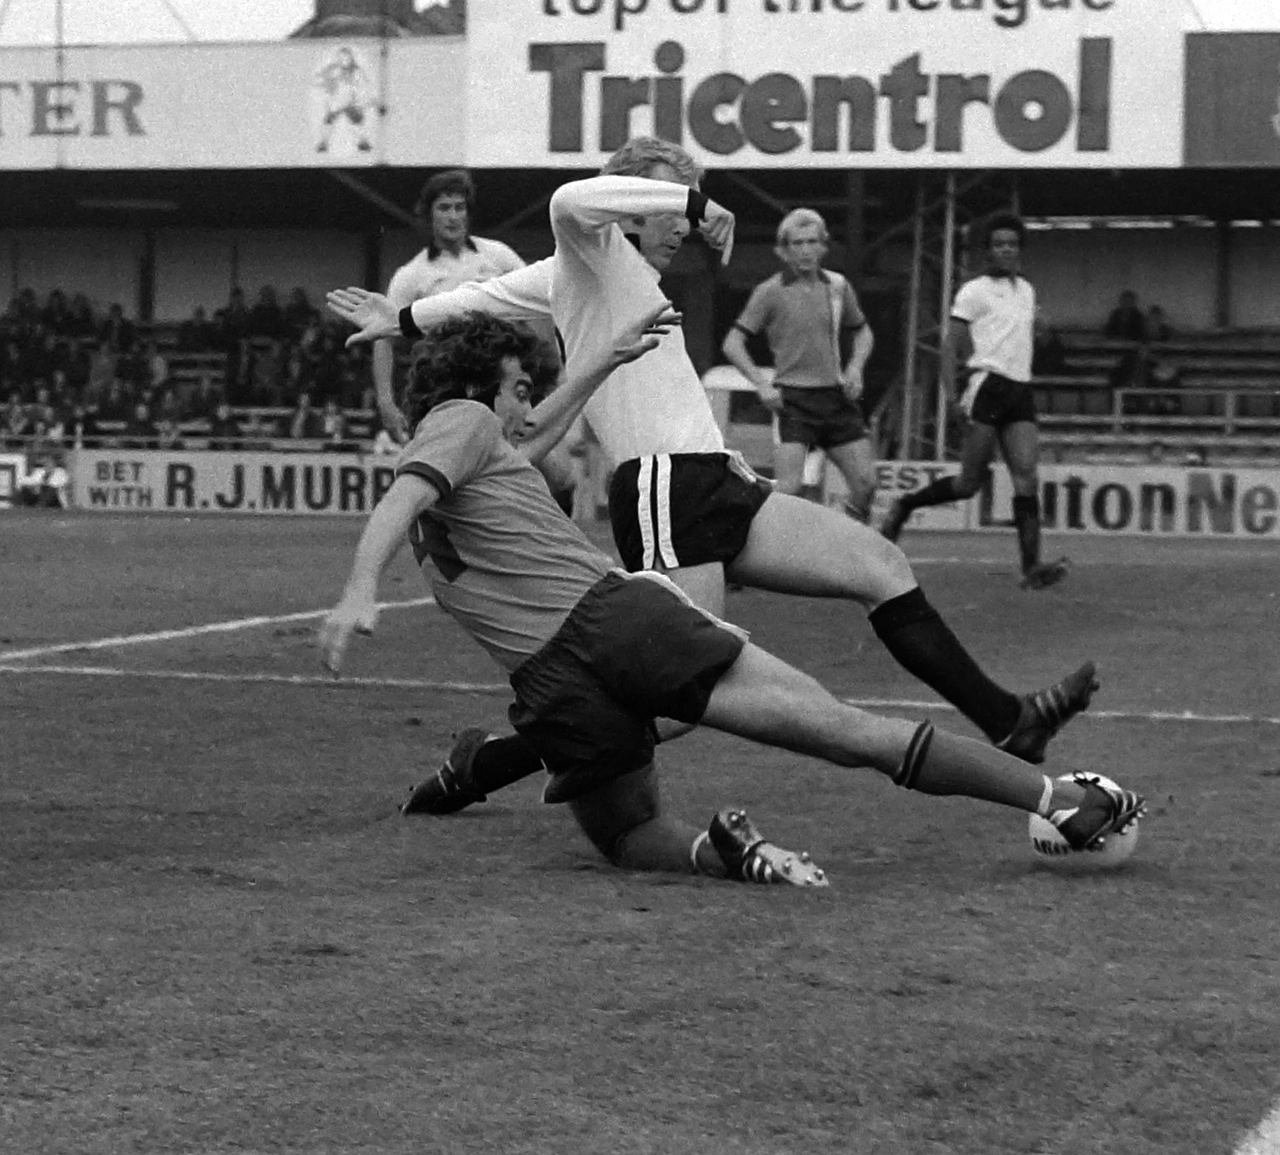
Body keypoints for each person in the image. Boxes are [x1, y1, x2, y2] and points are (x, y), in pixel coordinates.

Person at [326, 137, 1099, 817]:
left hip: (719, 482)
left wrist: (403, 319)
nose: (679, 224)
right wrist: (695, 202)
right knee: (676, 696)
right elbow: (568, 202)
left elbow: (484, 295)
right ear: (629, 202)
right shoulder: (593, 249)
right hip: (663, 488)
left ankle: (1009, 721)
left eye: (683, 205)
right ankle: (487, 763)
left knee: (881, 564)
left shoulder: (586, 272)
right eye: (664, 203)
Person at [317, 310, 1145, 884]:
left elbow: (522, 440)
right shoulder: (459, 419)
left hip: (551, 685)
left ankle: (724, 853)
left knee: (628, 835)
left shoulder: (474, 452)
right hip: (618, 623)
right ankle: (1062, 801)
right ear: (477, 387)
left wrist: (602, 364)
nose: (526, 400)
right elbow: (406, 491)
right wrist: (358, 588)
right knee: (846, 731)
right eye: (517, 385)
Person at [879, 214, 1070, 591]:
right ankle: (904, 506)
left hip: (1020, 389)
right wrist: (951, 396)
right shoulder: (974, 291)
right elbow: (950, 346)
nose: (1006, 250)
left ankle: (1031, 567)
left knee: (1027, 476)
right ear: (988, 251)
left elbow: (1025, 336)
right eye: (999, 244)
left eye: (1012, 244)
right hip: (988, 387)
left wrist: (1041, 331)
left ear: (1020, 249)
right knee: (969, 482)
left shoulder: (1027, 290)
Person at [720, 207, 878, 522]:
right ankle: (753, 539)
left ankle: (841, 538)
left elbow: (863, 331)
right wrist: (761, 384)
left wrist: (856, 367)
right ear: (783, 250)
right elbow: (732, 343)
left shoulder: (838, 286)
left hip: (836, 399)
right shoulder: (770, 291)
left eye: (812, 242)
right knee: (789, 490)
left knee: (866, 484)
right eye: (797, 243)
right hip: (792, 401)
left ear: (824, 246)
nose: (806, 250)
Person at [371, 169, 527, 442]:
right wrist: (385, 400)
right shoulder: (412, 275)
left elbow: (538, 301)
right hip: (445, 391)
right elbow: (383, 337)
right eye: (444, 208)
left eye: (459, 207)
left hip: (502, 384)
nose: (453, 216)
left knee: (541, 462)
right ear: (429, 215)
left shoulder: (499, 256)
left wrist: (552, 369)